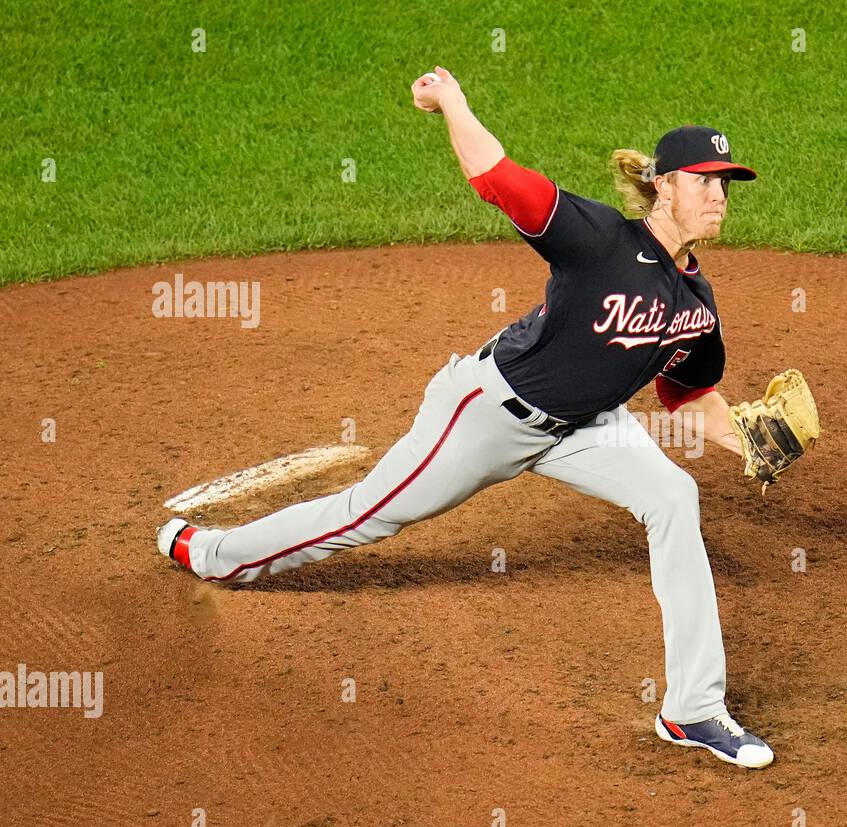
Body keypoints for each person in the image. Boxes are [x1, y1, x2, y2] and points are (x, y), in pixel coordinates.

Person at [157, 66, 773, 769]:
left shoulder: (698, 302)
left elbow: (686, 395)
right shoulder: (599, 240)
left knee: (673, 495)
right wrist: (451, 100)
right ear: (664, 186)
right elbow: (498, 177)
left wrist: (746, 441)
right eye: (706, 180)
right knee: (368, 515)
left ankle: (693, 710)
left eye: (727, 184)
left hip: (586, 428)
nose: (720, 196)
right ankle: (211, 554)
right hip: (487, 414)